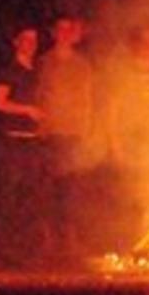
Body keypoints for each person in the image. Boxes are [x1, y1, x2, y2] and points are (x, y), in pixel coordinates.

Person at [37, 15, 97, 259]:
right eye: (60, 29)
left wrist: (86, 127)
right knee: (47, 189)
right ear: (53, 33)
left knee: (71, 191)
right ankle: (47, 239)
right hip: (49, 132)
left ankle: (70, 240)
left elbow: (88, 98)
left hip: (73, 133)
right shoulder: (43, 62)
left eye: (68, 29)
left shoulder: (83, 64)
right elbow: (37, 94)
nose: (64, 33)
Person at [0, 24, 45, 266]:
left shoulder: (36, 70)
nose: (31, 44)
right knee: (8, 197)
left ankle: (24, 248)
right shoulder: (9, 70)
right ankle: (1, 250)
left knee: (28, 197)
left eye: (34, 39)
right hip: (11, 140)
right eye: (26, 39)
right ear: (16, 42)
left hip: (31, 141)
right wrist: (27, 110)